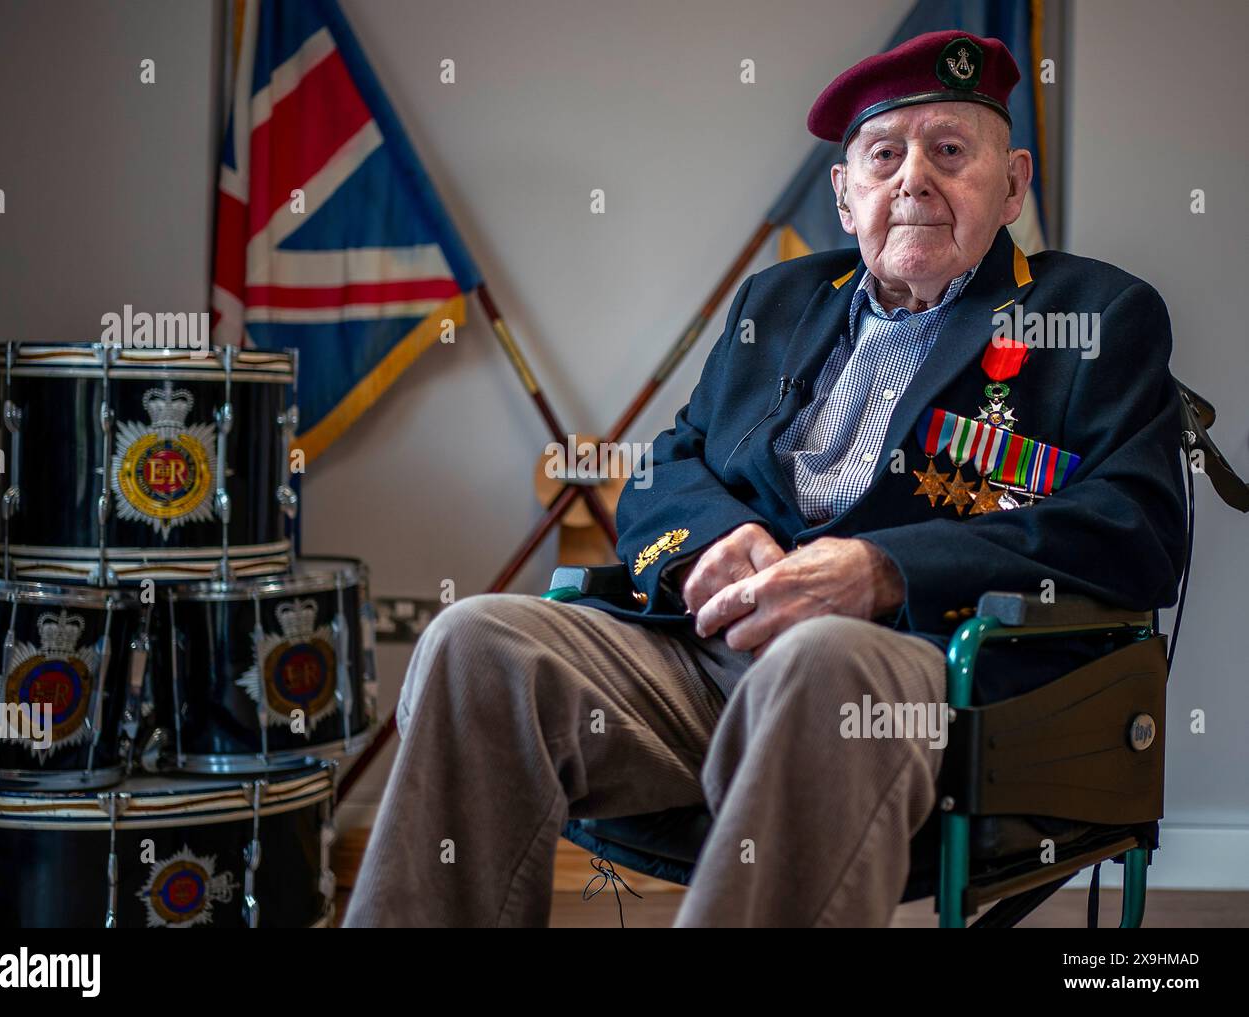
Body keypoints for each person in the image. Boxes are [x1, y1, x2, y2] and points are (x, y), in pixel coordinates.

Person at [343, 29, 1186, 927]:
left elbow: (1134, 528)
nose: (912, 179)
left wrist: (884, 569)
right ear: (844, 191)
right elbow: (668, 465)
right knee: (477, 642)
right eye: (884, 155)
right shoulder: (775, 304)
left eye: (948, 151)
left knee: (826, 661)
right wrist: (714, 539)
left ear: (1012, 181)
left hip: (920, 669)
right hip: (708, 656)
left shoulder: (1093, 314)